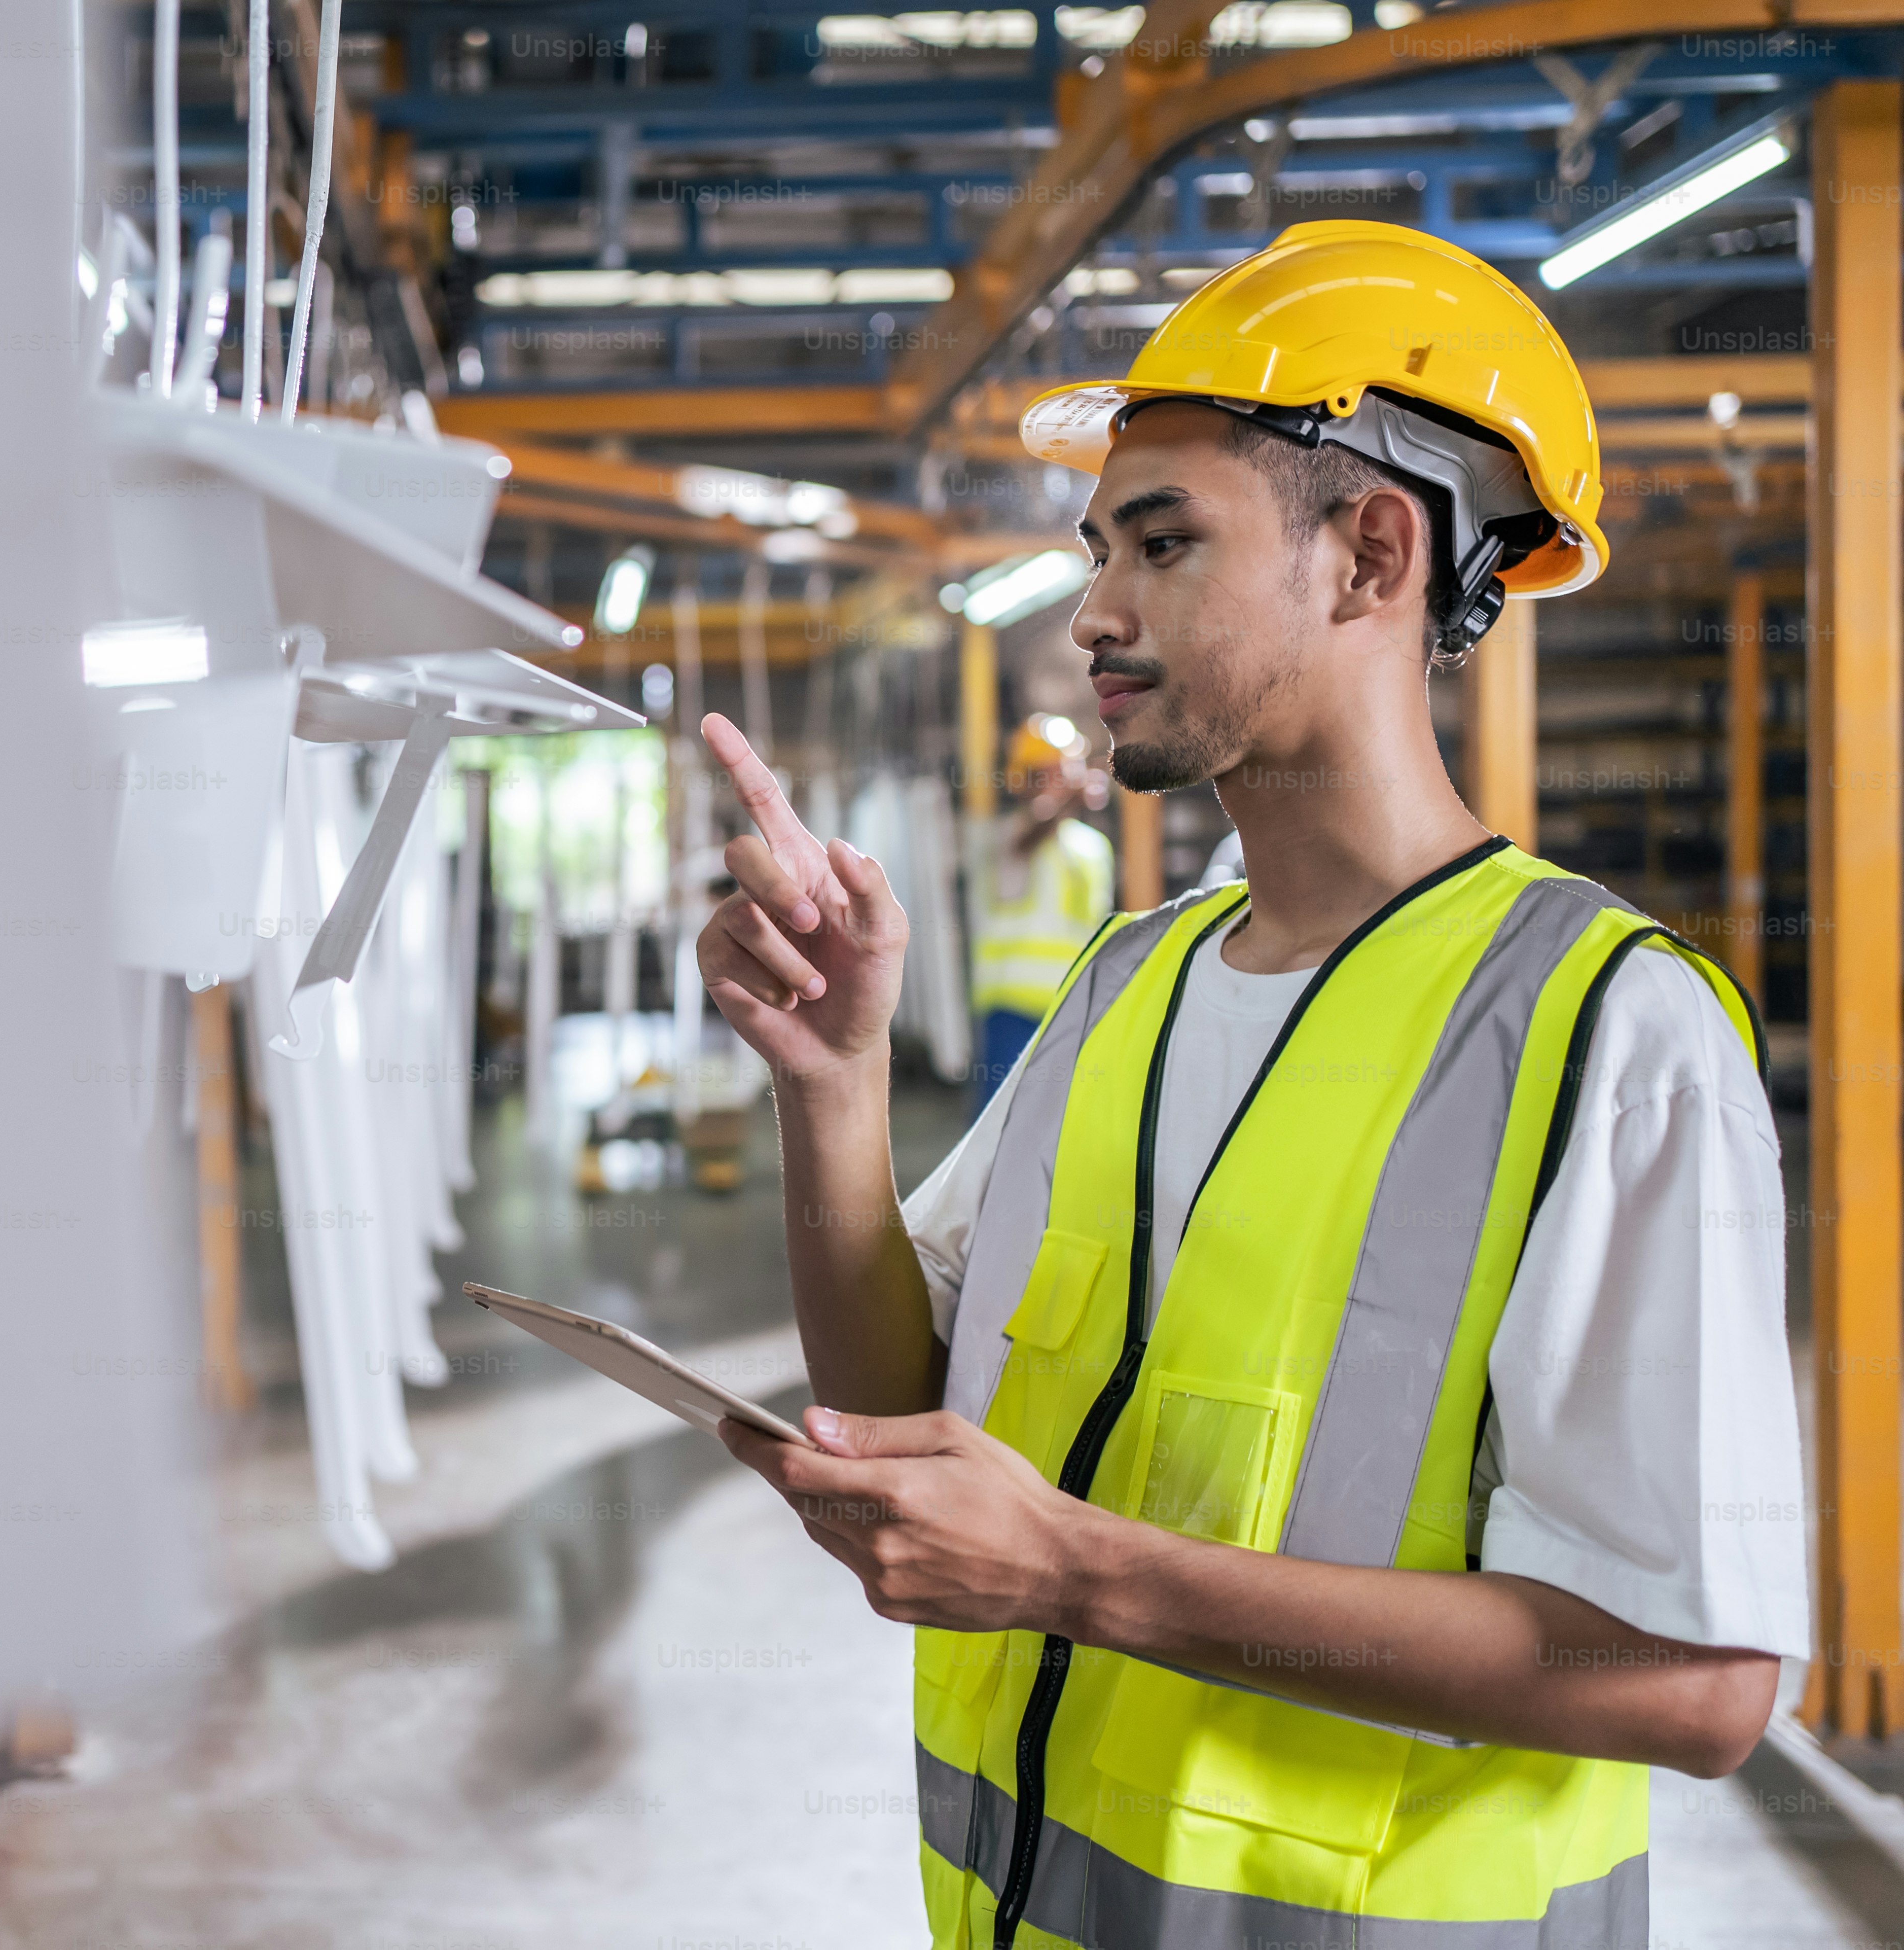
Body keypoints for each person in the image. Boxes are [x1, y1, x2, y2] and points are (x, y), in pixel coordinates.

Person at [691, 222, 1802, 1949]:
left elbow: (1688, 1675)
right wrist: (828, 1085)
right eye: (1094, 547)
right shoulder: (1123, 989)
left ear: (1366, 556)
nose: (1092, 613)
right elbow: (890, 1396)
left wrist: (1072, 1571)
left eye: (1161, 542)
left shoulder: (1604, 1036)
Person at [968, 714, 1115, 1109]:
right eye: (1049, 773)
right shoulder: (1002, 837)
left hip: (1072, 1008)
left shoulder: (1092, 848)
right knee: (997, 1127)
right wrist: (1070, 796)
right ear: (1025, 780)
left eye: (1064, 772)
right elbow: (1032, 833)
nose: (1060, 782)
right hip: (1010, 1010)